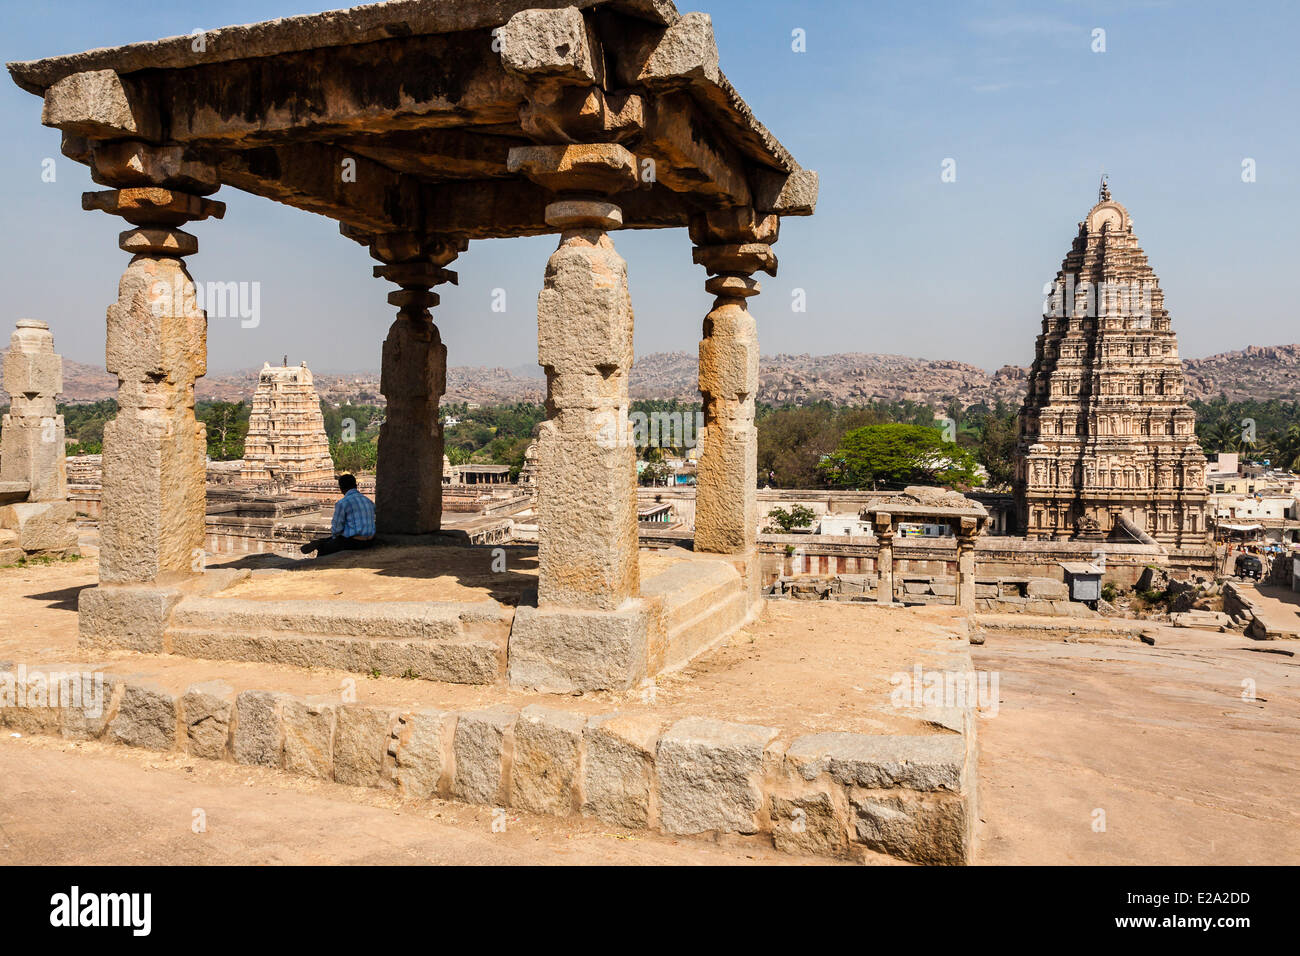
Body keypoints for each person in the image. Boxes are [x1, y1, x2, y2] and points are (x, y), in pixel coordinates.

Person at [300, 474, 376, 557]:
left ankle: (319, 546)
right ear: (356, 486)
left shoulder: (343, 503)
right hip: (370, 541)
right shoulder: (368, 501)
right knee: (330, 539)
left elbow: (336, 529)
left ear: (341, 488)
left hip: (354, 542)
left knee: (324, 548)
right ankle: (319, 542)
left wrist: (333, 539)